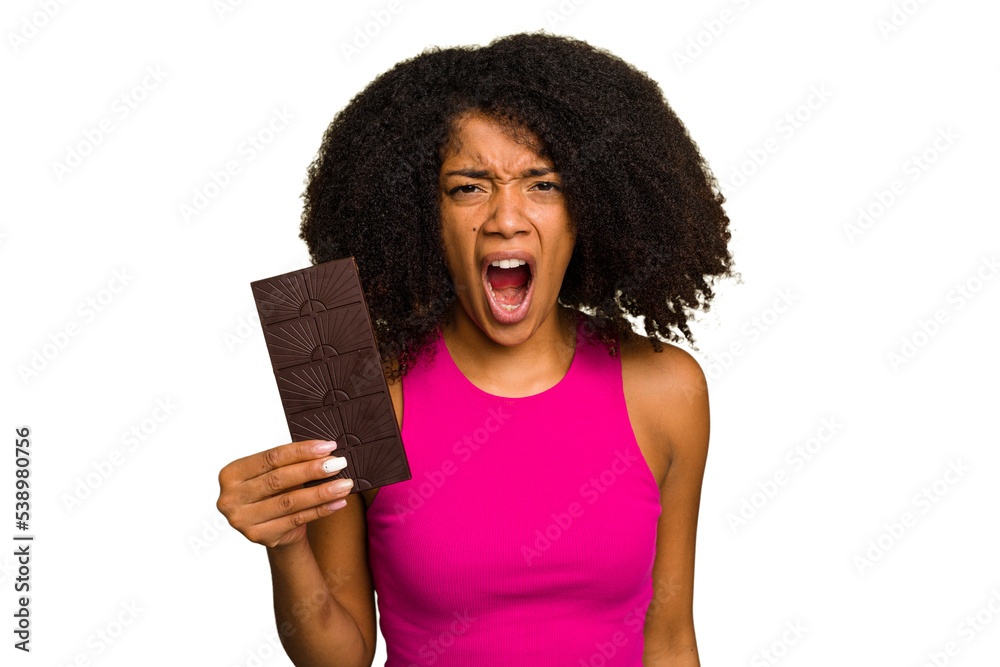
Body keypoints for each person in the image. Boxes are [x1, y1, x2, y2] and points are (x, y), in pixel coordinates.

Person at [217, 31, 736, 666]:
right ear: (417, 212)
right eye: (469, 187)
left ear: (592, 206)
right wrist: (285, 540)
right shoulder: (355, 383)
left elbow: (671, 639)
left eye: (542, 184)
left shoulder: (666, 388)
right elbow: (340, 657)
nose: (506, 218)